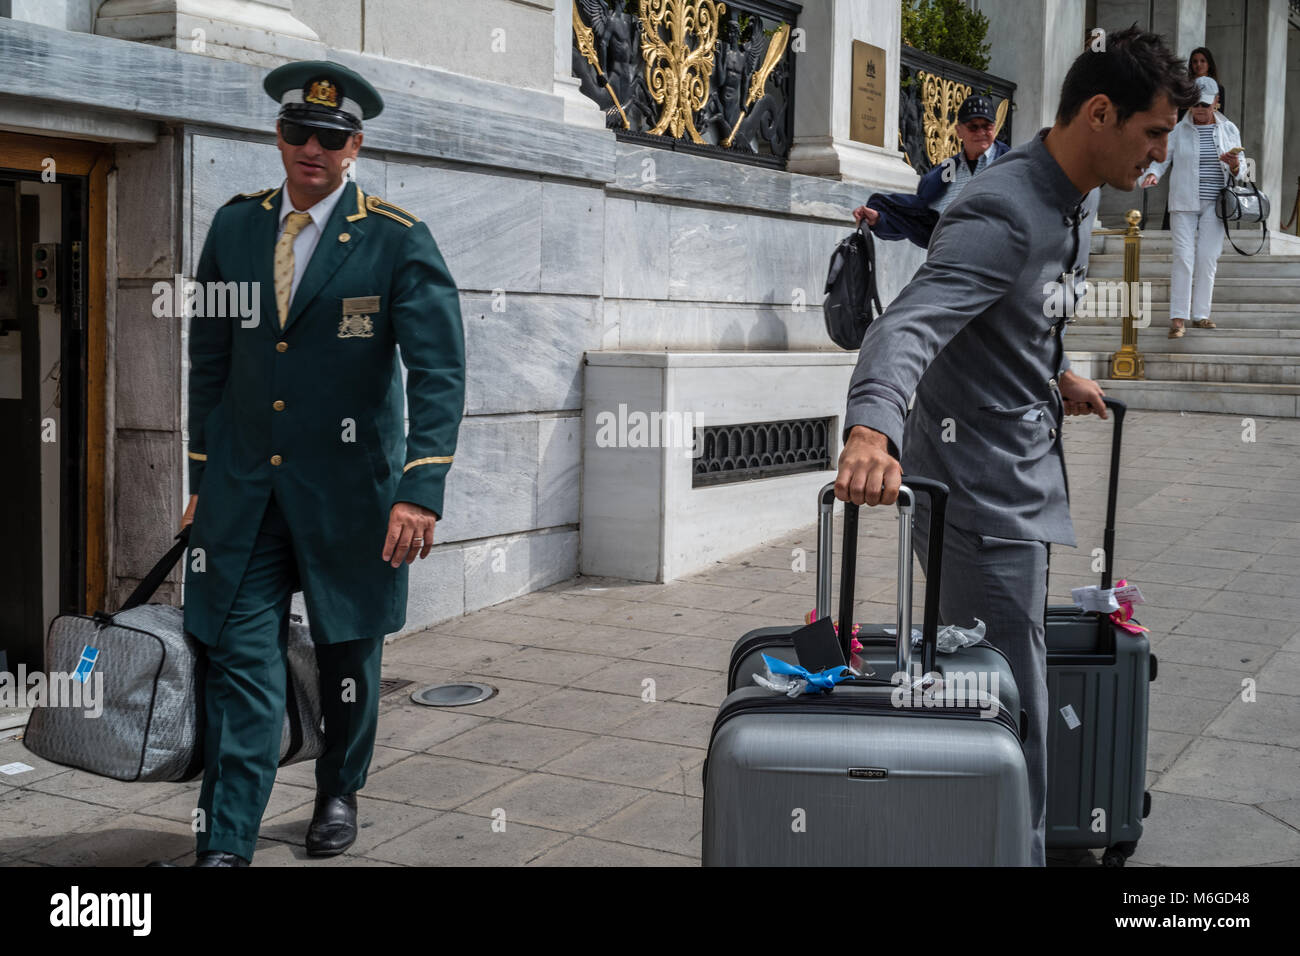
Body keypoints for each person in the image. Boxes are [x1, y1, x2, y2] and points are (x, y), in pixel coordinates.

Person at [834, 26, 1198, 866]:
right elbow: (910, 323)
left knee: (1003, 699)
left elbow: (1017, 310)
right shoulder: (1001, 206)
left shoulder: (1067, 196)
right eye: (1151, 135)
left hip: (1013, 488)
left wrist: (1054, 373)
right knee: (1008, 720)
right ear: (1099, 114)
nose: (1157, 160)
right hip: (981, 504)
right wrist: (870, 426)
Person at [156, 61, 466, 867]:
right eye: (299, 133)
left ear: (354, 146)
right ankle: (224, 843)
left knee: (347, 654)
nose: (312, 150)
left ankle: (339, 787)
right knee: (241, 660)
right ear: (279, 135)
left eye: (331, 138)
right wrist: (199, 483)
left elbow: (439, 372)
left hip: (352, 498)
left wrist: (420, 490)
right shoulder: (235, 229)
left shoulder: (398, 239)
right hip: (245, 493)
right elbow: (209, 363)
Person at [1141, 75, 1243, 338]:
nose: (1200, 109)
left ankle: (1201, 314)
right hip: (1184, 202)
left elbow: (1242, 173)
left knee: (1208, 257)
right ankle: (1178, 317)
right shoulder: (1177, 129)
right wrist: (1153, 174)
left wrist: (1233, 164)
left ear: (1216, 103)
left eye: (1205, 104)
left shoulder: (1229, 129)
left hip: (1216, 203)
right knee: (1184, 257)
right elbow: (1163, 158)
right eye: (1195, 103)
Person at [853, 94, 1011, 248]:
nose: (981, 132)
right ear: (959, 131)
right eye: (973, 127)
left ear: (994, 127)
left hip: (997, 261)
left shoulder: (1011, 165)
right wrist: (879, 220)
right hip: (949, 260)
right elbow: (918, 222)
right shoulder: (944, 173)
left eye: (987, 126)